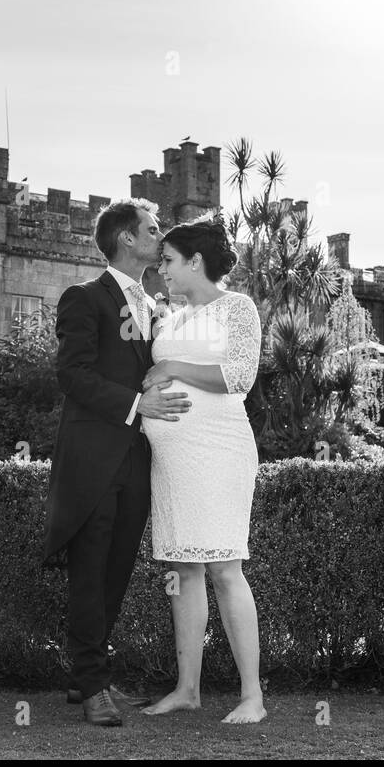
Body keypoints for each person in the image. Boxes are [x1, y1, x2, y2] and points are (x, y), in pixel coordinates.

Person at [41, 198, 192, 727]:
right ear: (127, 238)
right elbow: (72, 374)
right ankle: (92, 683)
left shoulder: (153, 304)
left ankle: (87, 677)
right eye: (153, 229)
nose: (160, 236)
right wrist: (135, 405)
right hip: (93, 459)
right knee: (89, 569)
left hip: (138, 460)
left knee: (116, 571)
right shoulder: (84, 298)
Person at [138, 214, 267, 724]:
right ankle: (187, 689)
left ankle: (252, 696)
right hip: (171, 460)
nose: (162, 270)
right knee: (184, 570)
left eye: (168, 261)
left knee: (224, 566)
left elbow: (239, 375)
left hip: (218, 451)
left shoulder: (238, 307)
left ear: (195, 261)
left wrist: (170, 368)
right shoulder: (168, 316)